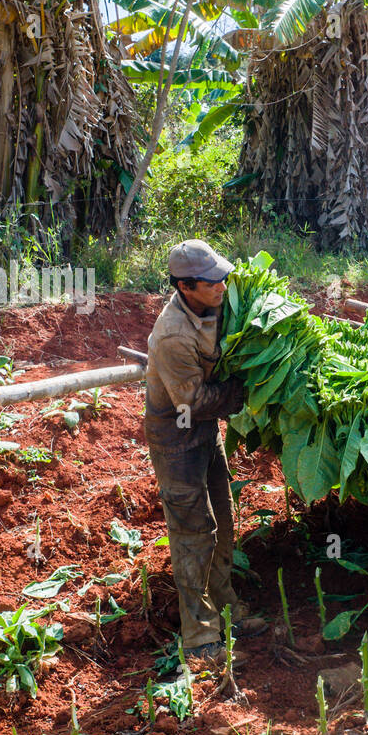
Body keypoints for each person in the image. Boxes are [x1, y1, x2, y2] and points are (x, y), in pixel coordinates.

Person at [144, 239, 266, 663]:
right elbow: (191, 404)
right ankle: (198, 634)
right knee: (193, 533)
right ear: (185, 286)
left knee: (224, 519)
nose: (222, 285)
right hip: (176, 437)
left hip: (205, 430)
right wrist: (243, 390)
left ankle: (226, 607)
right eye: (212, 281)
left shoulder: (216, 302)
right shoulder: (173, 336)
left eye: (222, 276)